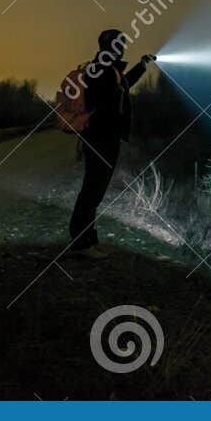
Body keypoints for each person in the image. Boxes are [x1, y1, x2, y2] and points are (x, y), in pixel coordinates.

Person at [67, 29, 155, 258]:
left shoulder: (107, 69)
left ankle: (88, 239)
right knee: (92, 189)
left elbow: (125, 85)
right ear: (111, 45)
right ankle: (81, 243)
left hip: (104, 138)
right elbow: (102, 105)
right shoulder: (101, 70)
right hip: (101, 138)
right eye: (120, 43)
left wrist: (142, 65)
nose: (123, 47)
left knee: (95, 189)